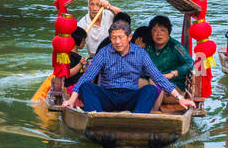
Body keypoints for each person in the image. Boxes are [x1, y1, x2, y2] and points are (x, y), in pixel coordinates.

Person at [63, 21, 196, 113]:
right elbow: (88, 76)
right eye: (114, 38)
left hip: (130, 96)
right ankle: (96, 118)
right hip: (108, 95)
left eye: (121, 37)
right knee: (87, 87)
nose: (117, 42)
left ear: (129, 37)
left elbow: (158, 77)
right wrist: (72, 100)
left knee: (150, 89)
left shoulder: (140, 54)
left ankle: (137, 119)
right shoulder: (104, 52)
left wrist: (180, 98)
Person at [143, 14, 194, 89]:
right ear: (151, 33)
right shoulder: (148, 46)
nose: (159, 34)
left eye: (162, 30)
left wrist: (172, 74)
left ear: (168, 32)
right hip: (151, 82)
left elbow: (190, 63)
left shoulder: (175, 46)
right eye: (155, 30)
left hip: (173, 86)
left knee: (155, 89)